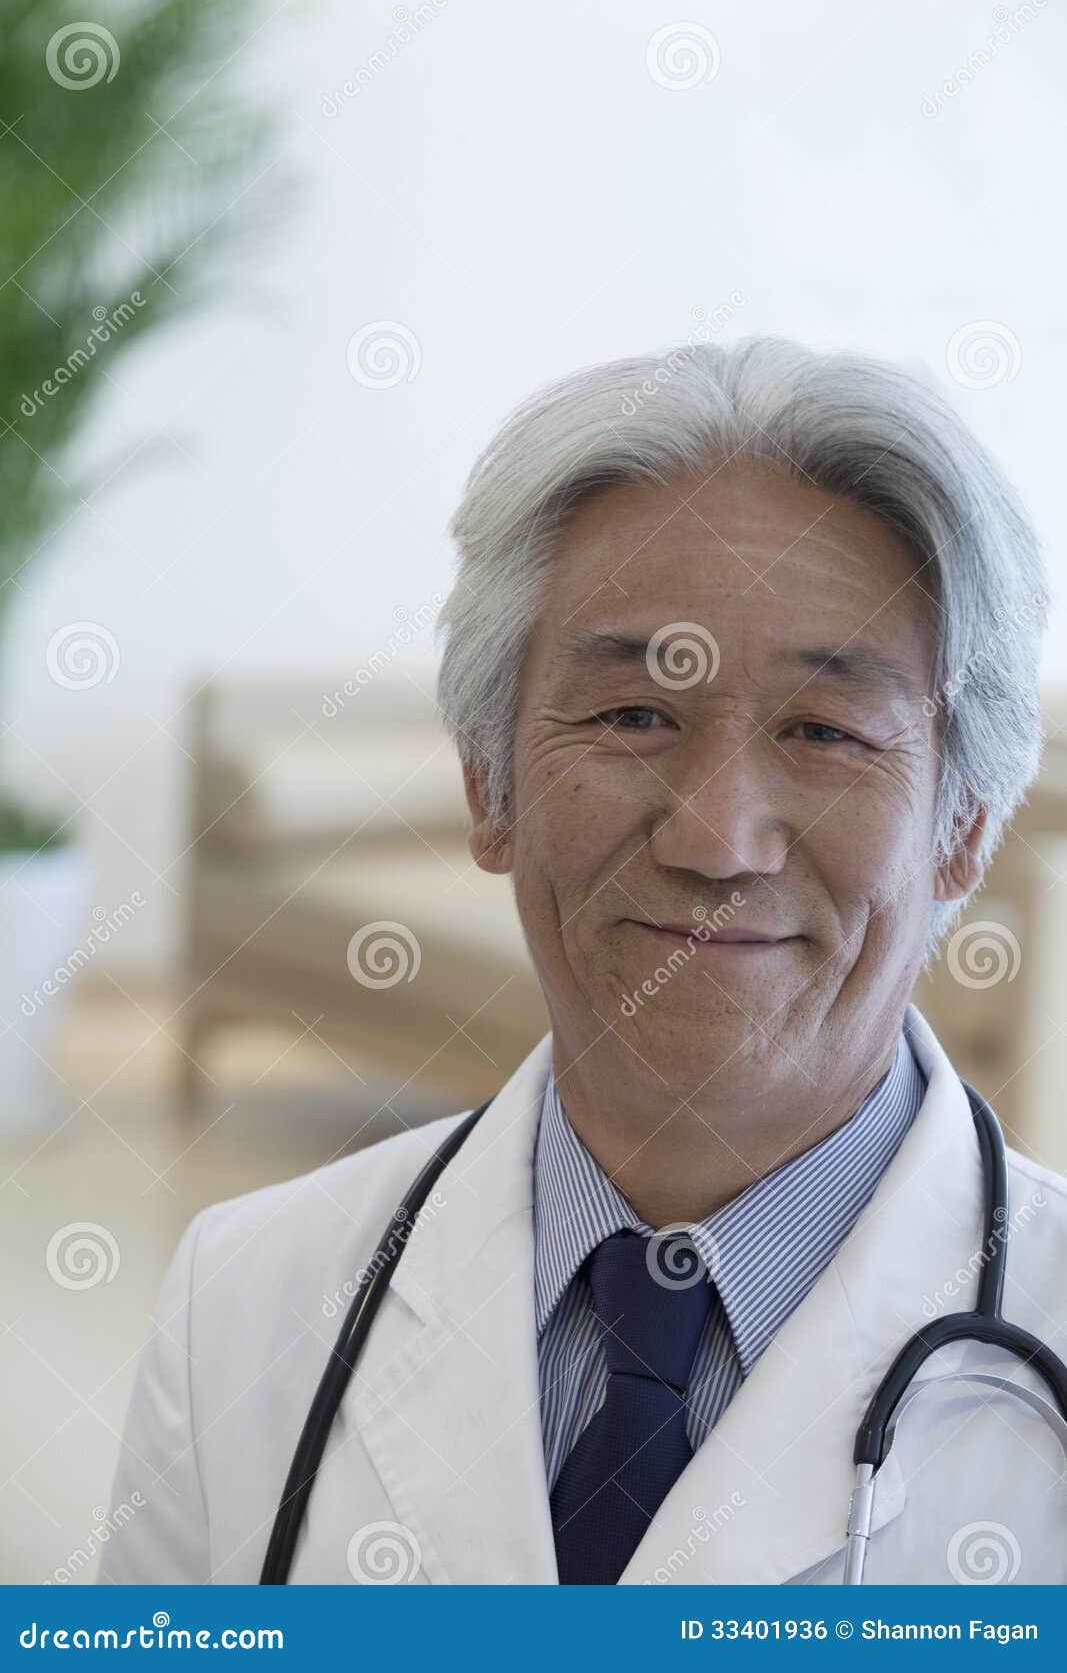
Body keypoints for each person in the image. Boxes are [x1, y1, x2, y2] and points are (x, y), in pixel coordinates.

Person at [100, 337, 1066, 1585]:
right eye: (631, 715)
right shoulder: (241, 1302)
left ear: (963, 826)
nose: (715, 838)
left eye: (823, 729)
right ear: (486, 782)